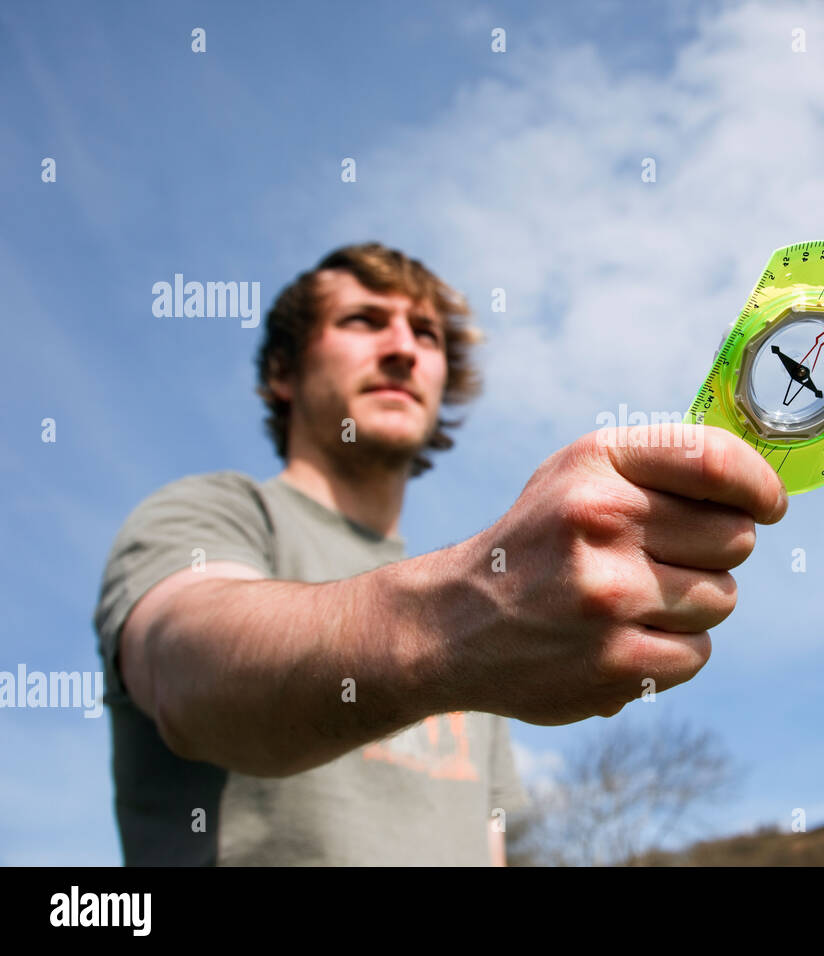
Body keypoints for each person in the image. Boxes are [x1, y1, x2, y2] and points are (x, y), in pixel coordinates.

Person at [93, 241, 788, 866]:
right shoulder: (210, 514)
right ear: (283, 371)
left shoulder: (482, 618)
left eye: (426, 334)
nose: (403, 348)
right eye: (363, 320)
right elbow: (188, 673)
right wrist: (462, 614)